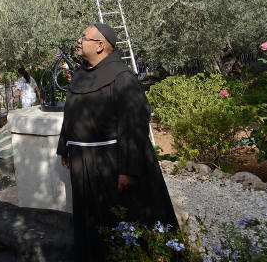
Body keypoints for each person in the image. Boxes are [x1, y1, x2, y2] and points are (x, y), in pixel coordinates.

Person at [56, 23, 177, 261]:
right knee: (88, 220)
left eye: (84, 37)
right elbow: (70, 115)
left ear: (100, 46)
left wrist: (129, 170)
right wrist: (65, 148)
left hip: (110, 164)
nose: (79, 41)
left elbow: (134, 125)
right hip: (82, 163)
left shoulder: (122, 78)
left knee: (116, 220)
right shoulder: (79, 75)